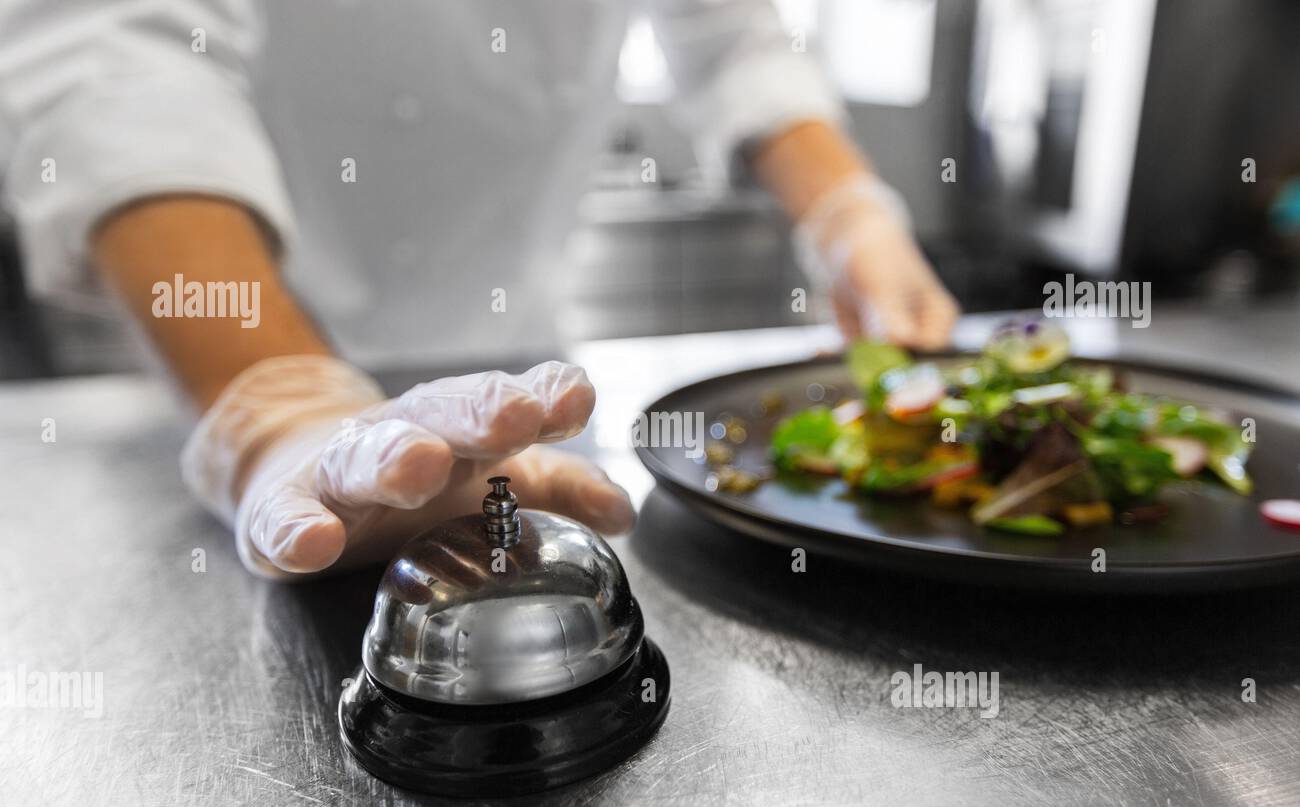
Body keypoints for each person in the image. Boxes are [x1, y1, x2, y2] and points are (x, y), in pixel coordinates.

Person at [0, 0, 958, 578]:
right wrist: (270, 399)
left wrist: (850, 217)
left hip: (514, 379)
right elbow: (118, 54)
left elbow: (732, 36)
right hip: (223, 359)